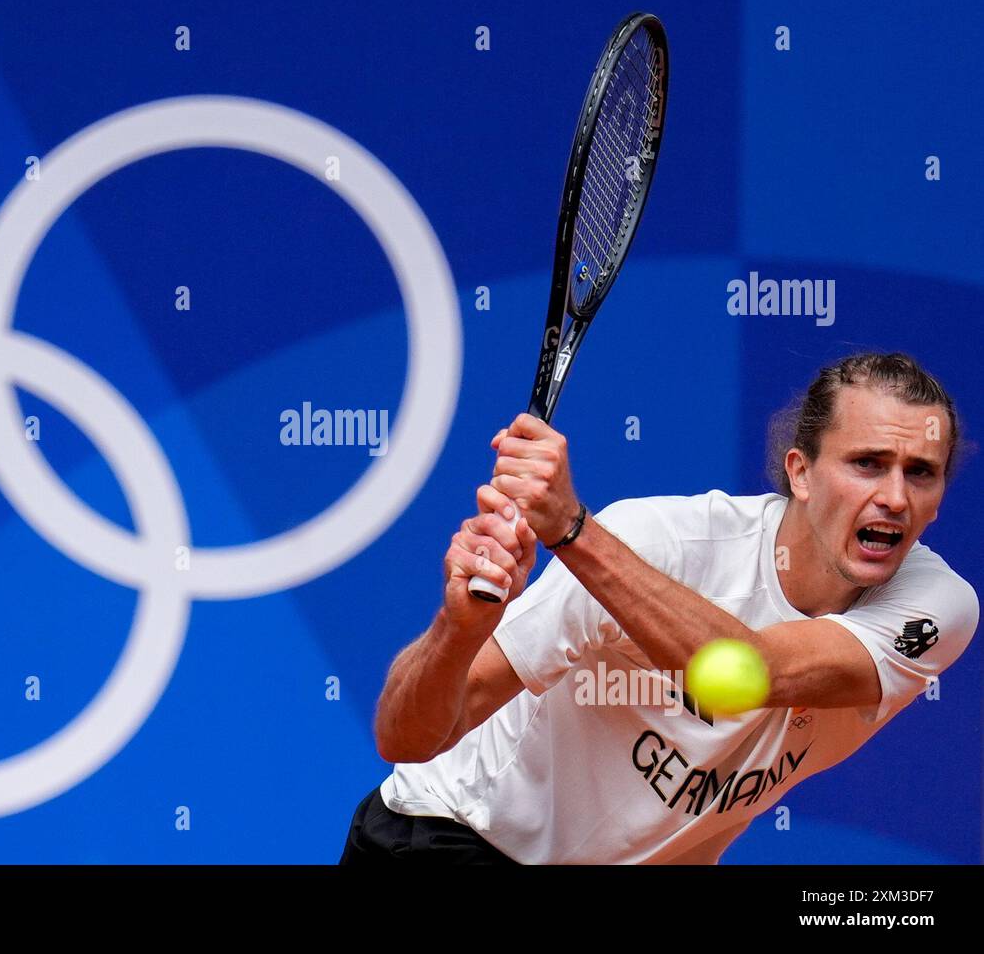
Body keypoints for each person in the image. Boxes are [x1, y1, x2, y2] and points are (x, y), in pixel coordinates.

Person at [339, 352, 979, 865]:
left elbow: (749, 675)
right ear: (801, 473)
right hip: (454, 835)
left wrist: (570, 528)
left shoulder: (935, 607)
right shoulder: (657, 544)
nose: (895, 496)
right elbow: (407, 739)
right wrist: (459, 629)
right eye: (868, 464)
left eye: (921, 472)